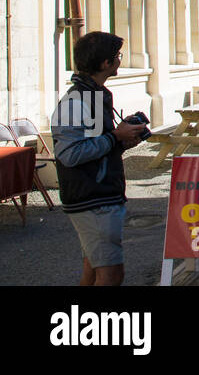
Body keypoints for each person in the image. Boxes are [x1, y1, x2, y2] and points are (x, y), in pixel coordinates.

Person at [52, 31, 148, 286]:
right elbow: (70, 154)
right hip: (93, 199)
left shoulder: (94, 94)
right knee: (111, 274)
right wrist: (115, 137)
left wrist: (121, 140)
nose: (119, 61)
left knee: (93, 270)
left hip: (99, 194)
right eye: (117, 56)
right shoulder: (76, 101)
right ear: (105, 63)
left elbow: (96, 148)